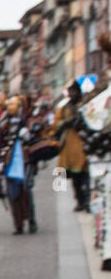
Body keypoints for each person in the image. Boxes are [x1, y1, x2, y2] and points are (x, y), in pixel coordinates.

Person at [0, 95, 38, 234]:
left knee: (26, 191)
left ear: (19, 106)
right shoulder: (3, 123)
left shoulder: (27, 121)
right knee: (13, 194)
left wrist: (29, 134)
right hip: (9, 162)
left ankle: (31, 221)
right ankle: (18, 224)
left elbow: (35, 138)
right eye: (9, 104)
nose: (10, 107)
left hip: (24, 161)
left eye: (13, 104)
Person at [56, 82, 90, 213]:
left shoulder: (84, 105)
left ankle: (87, 200)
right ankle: (80, 201)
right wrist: (65, 123)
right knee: (75, 177)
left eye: (74, 92)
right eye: (70, 92)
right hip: (69, 146)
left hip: (83, 143)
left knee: (85, 175)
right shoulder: (65, 108)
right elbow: (57, 124)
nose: (72, 94)